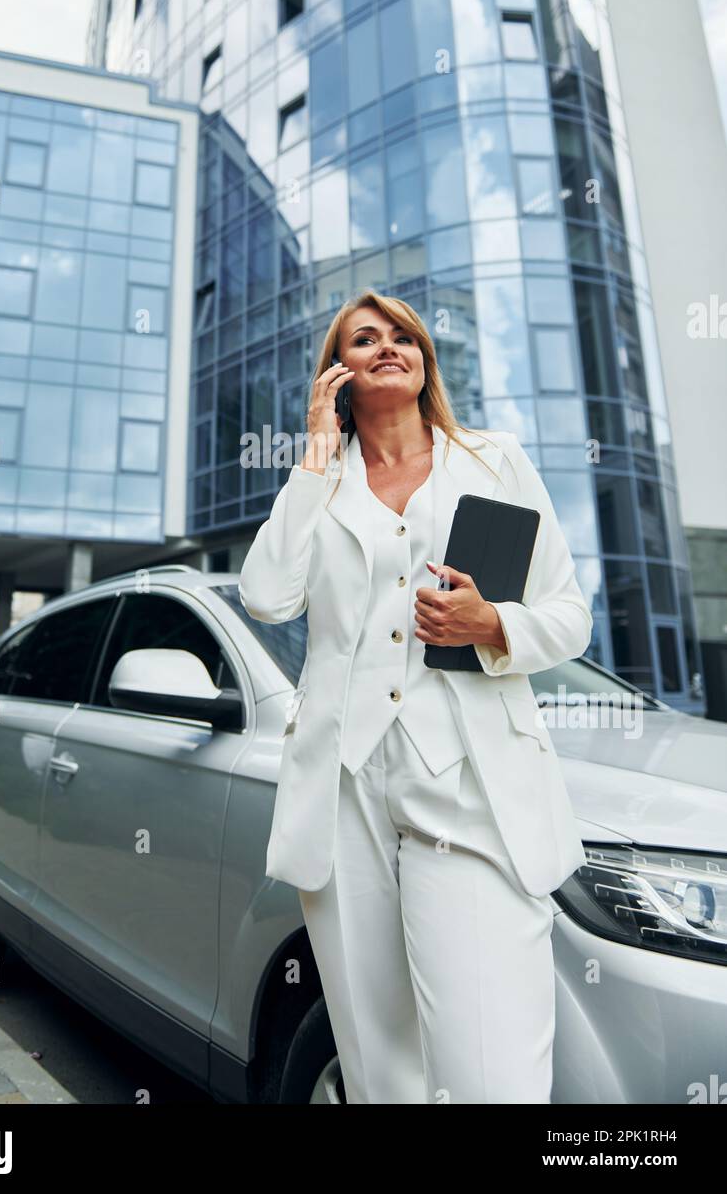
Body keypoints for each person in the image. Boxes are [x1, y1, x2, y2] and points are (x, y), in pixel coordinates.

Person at [238, 290, 593, 1104]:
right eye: (365, 339)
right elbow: (266, 596)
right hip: (345, 793)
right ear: (339, 374)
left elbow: (570, 616)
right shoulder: (322, 483)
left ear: (425, 358)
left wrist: (491, 621)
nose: (388, 346)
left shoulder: (493, 459)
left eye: (403, 335)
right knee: (378, 1070)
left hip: (468, 786)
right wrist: (314, 458)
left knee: (489, 1071)